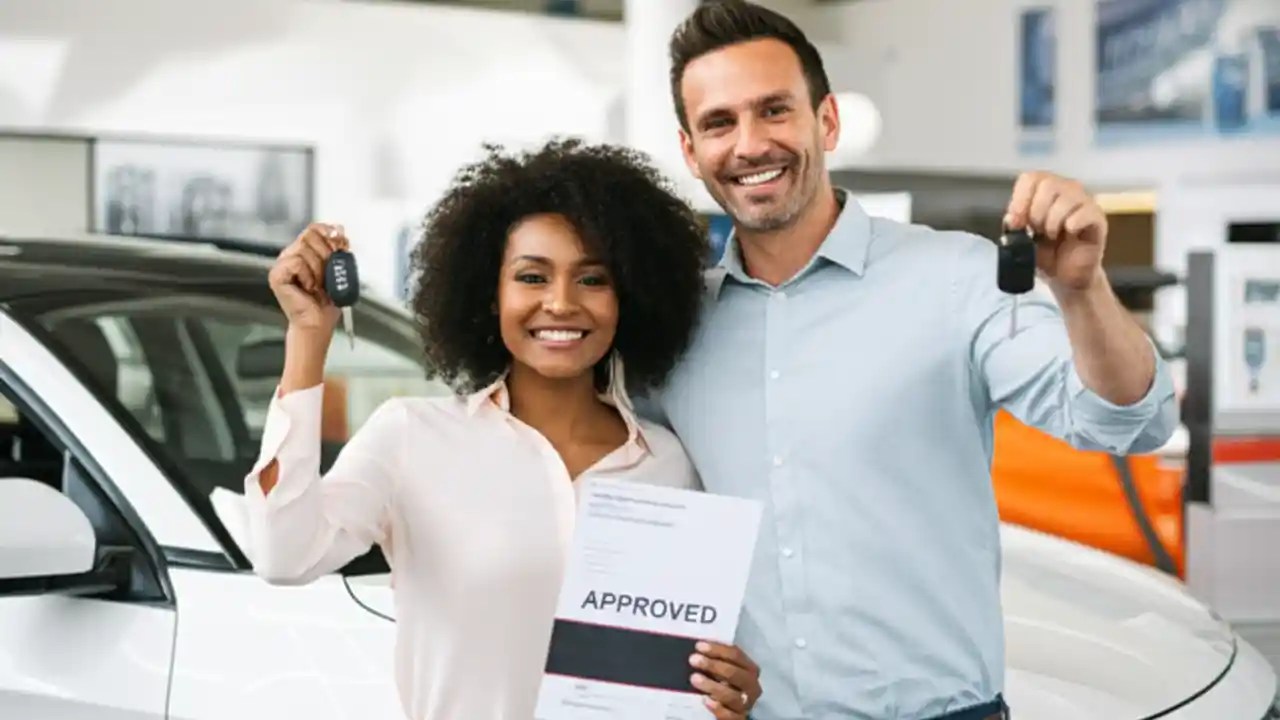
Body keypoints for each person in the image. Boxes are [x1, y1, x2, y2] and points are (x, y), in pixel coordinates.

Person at [638, 2, 1181, 719]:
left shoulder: (957, 279)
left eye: (774, 110)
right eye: (719, 123)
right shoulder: (679, 327)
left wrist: (1083, 293)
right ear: (690, 151)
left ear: (827, 121)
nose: (750, 144)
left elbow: (1126, 422)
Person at [241, 138, 764, 720]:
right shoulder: (410, 437)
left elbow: (675, 668)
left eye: (593, 279)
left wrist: (725, 691)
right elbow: (284, 554)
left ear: (628, 298)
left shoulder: (669, 463)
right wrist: (308, 338)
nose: (561, 303)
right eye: (532, 277)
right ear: (490, 295)